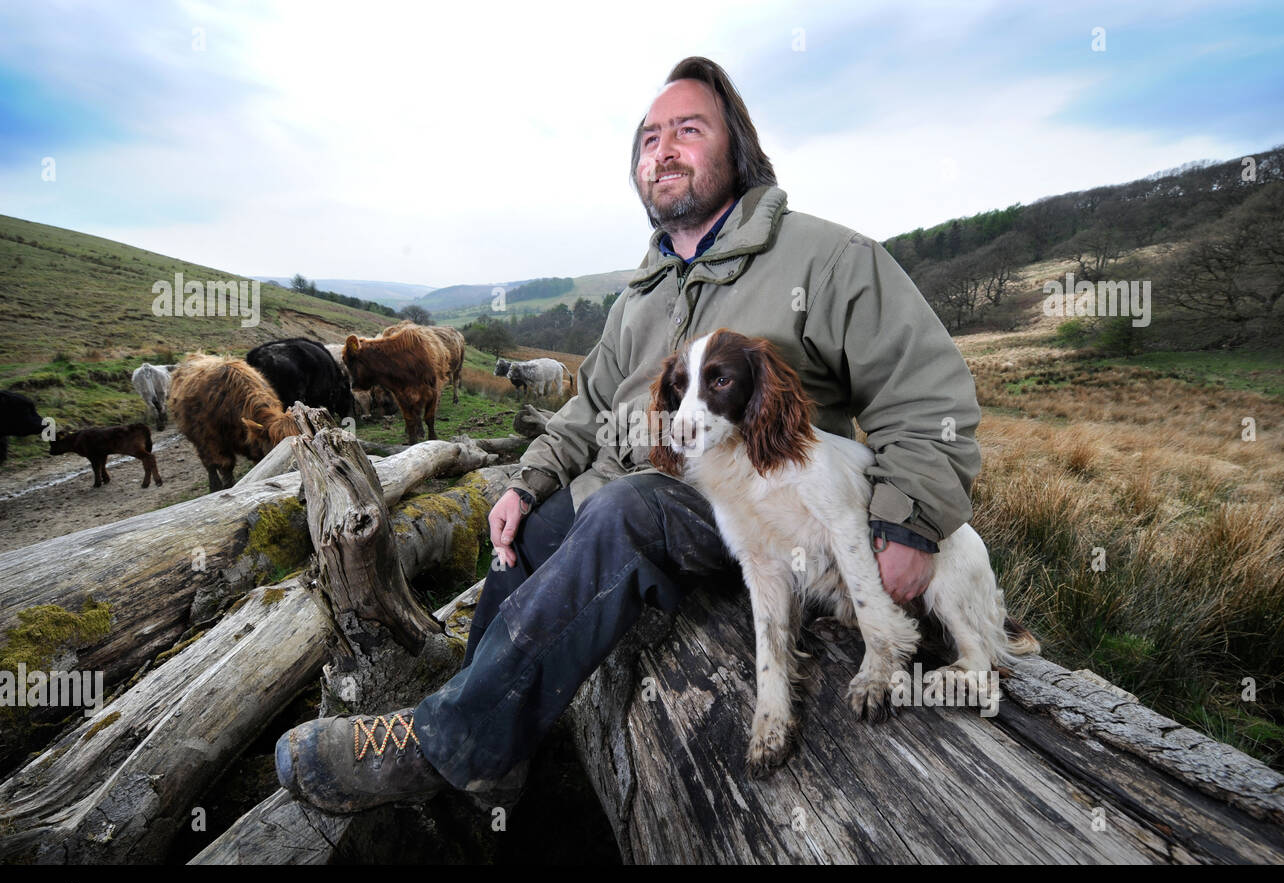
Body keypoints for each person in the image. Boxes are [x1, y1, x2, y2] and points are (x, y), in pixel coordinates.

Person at [275, 56, 982, 813]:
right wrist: (527, 480)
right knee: (532, 528)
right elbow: (584, 406)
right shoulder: (639, 295)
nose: (663, 150)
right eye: (648, 139)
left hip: (772, 516)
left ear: (736, 147)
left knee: (626, 509)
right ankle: (493, 756)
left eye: (687, 130)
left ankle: (441, 745)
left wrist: (909, 518)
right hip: (655, 498)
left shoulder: (828, 257)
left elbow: (927, 391)